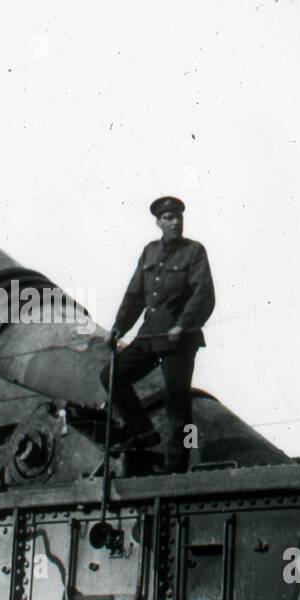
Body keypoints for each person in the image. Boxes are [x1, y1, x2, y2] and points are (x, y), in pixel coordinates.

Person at [103, 196, 215, 474]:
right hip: (150, 335)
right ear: (158, 222)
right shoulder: (149, 252)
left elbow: (204, 295)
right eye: (168, 218)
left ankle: (177, 465)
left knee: (178, 406)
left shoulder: (194, 251)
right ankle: (142, 431)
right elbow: (135, 294)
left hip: (179, 340)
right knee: (112, 377)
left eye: (178, 217)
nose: (175, 222)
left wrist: (184, 324)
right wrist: (119, 327)